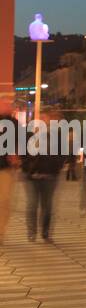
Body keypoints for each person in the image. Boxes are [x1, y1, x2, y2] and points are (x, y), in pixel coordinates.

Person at [23, 139, 66, 242]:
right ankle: (32, 232)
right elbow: (24, 158)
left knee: (47, 206)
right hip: (32, 178)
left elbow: (62, 158)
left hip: (50, 177)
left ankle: (45, 233)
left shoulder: (57, 142)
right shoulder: (30, 140)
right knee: (32, 204)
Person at [0, 105, 18, 245]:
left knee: (3, 200)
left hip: (4, 168)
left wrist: (15, 153)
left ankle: (0, 232)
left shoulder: (13, 123)